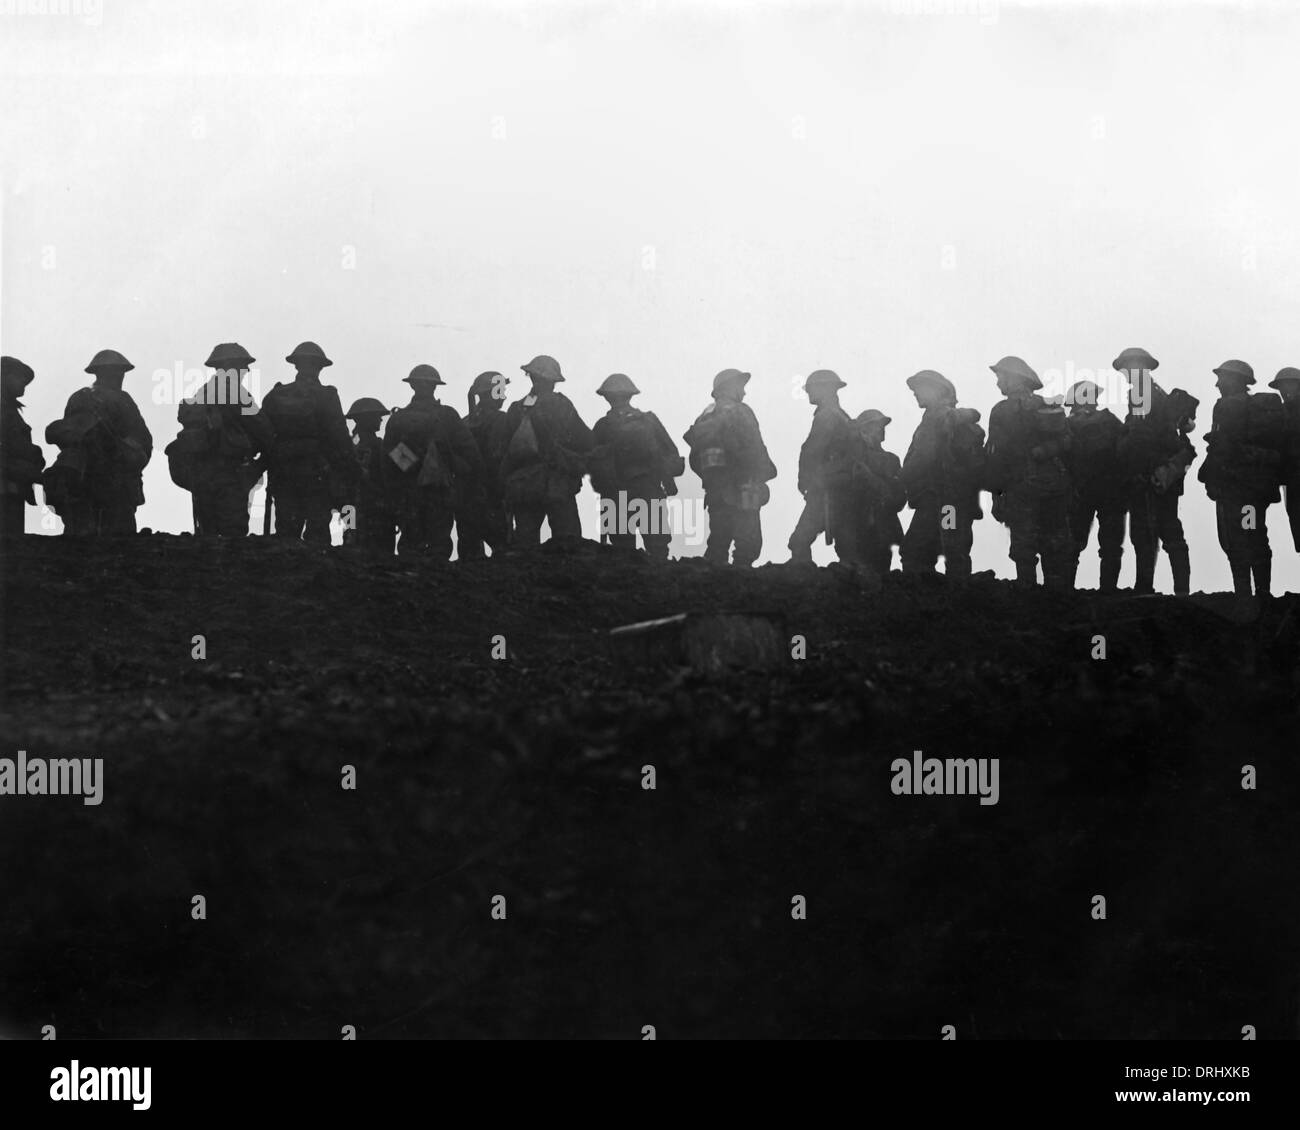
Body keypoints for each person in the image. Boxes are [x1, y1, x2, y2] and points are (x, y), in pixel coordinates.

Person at [1197, 359, 1286, 597]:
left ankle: (1244, 593)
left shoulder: (1226, 407)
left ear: (1234, 380)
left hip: (1235, 486)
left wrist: (1211, 477)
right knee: (1255, 533)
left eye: (1221, 378)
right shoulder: (1255, 408)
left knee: (1236, 538)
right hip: (1256, 488)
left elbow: (1222, 447)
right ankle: (1262, 591)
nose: (1217, 384)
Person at [167, 343, 273, 537]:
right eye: (243, 366)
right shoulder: (237, 393)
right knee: (233, 534)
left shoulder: (203, 392)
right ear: (232, 366)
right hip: (229, 474)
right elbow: (262, 428)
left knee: (207, 533)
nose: (246, 371)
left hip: (201, 473)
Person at [984, 355, 1071, 587]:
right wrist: (1044, 451)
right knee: (1053, 542)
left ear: (1013, 379)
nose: (998, 383)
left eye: (1001, 377)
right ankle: (1056, 596)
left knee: (1024, 546)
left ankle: (1029, 595)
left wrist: (996, 495)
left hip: (1020, 486)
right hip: (1053, 485)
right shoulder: (1047, 405)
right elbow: (1067, 442)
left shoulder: (1001, 411)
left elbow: (995, 456)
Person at [43, 349, 152, 536]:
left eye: (120, 372)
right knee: (113, 533)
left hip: (106, 474)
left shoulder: (82, 397)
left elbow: (142, 440)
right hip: (103, 476)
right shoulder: (118, 399)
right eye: (116, 372)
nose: (119, 376)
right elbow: (142, 439)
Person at [1112, 347, 1190, 594]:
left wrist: (1124, 450)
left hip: (1149, 474)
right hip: (1163, 473)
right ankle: (1180, 591)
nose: (1126, 373)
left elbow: (1140, 437)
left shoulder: (1141, 392)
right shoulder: (1155, 392)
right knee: (1168, 529)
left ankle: (1145, 586)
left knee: (1147, 533)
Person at [383, 364, 481, 558]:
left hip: (408, 492)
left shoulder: (398, 419)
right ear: (435, 386)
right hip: (440, 492)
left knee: (410, 546)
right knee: (439, 545)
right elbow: (472, 457)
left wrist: (411, 469)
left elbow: (387, 462)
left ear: (412, 386)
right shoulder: (448, 416)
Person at [262, 341, 355, 544]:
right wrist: (350, 470)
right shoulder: (327, 395)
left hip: (283, 471)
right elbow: (340, 437)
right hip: (317, 473)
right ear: (320, 367)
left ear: (296, 365)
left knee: (286, 530)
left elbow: (263, 433)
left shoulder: (277, 394)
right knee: (317, 532)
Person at [683, 368, 777, 567]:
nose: (744, 393)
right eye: (740, 387)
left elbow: (695, 459)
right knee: (748, 545)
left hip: (716, 489)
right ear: (730, 388)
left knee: (718, 541)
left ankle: (716, 587)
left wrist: (712, 478)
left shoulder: (704, 417)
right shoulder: (741, 411)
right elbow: (755, 447)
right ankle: (741, 587)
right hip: (744, 486)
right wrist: (764, 474)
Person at [499, 355, 593, 545]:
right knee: (569, 542)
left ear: (531, 377)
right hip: (558, 483)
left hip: (525, 485)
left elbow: (504, 450)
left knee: (525, 543)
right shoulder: (562, 405)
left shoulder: (517, 408)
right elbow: (586, 440)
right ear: (553, 381)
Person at [899, 370, 984, 578]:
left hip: (946, 501)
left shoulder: (937, 417)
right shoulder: (940, 417)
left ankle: (953, 600)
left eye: (919, 389)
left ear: (936, 391)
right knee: (936, 547)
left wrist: (899, 478)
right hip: (940, 500)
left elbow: (924, 457)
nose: (915, 394)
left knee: (949, 546)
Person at [589, 373, 684, 558]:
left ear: (606, 397)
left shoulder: (602, 426)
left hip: (616, 494)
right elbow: (671, 453)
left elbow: (592, 463)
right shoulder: (648, 420)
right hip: (647, 490)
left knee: (622, 552)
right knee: (658, 550)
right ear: (630, 395)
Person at [788, 369, 858, 565]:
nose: (809, 393)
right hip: (840, 486)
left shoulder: (827, 416)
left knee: (799, 541)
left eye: (812, 389)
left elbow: (813, 449)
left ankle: (802, 580)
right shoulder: (842, 416)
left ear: (825, 389)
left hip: (826, 486)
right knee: (846, 544)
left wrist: (805, 479)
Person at [1064, 379, 1126, 591]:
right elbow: (1125, 449)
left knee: (1072, 543)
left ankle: (1066, 591)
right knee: (1111, 545)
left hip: (1080, 490)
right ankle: (1108, 590)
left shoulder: (1068, 424)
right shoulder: (1110, 420)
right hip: (1112, 491)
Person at [460, 371, 513, 558]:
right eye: (500, 391)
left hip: (466, 492)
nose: (503, 395)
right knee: (502, 547)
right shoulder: (501, 419)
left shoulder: (464, 422)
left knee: (470, 552)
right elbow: (498, 455)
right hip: (493, 491)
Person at [848, 409, 906, 577]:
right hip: (858, 528)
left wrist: (870, 478)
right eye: (875, 426)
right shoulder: (851, 460)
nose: (881, 429)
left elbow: (898, 498)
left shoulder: (891, 460)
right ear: (863, 431)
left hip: (882, 530)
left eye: (881, 426)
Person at [1, 356, 46, 538]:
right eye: (19, 377)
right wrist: (34, 454)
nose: (23, 384)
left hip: (13, 486)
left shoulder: (10, 409)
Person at [342, 397, 394, 554]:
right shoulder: (380, 445)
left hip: (349, 506)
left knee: (351, 543)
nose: (380, 419)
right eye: (377, 416)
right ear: (367, 419)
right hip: (375, 507)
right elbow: (406, 463)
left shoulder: (349, 444)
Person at [1269, 367, 1300, 553]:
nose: (1285, 391)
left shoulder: (1283, 413)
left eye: (1289, 386)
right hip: (1290, 479)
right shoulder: (1280, 412)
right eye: (1282, 387)